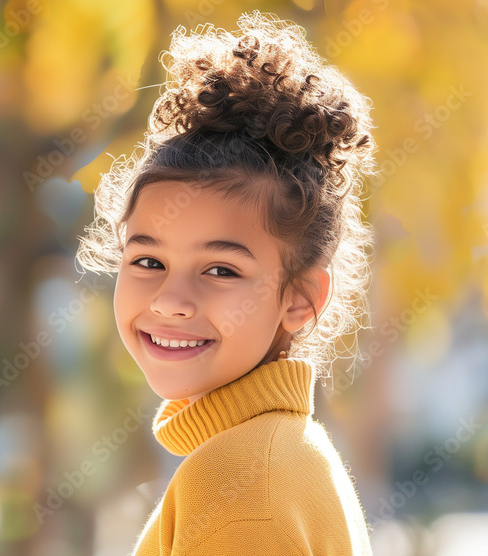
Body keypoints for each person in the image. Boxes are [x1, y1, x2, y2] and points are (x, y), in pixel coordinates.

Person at [75, 9, 376, 555]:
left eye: (221, 270)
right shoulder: (283, 452)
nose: (170, 301)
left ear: (302, 298)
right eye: (148, 261)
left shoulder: (245, 478)